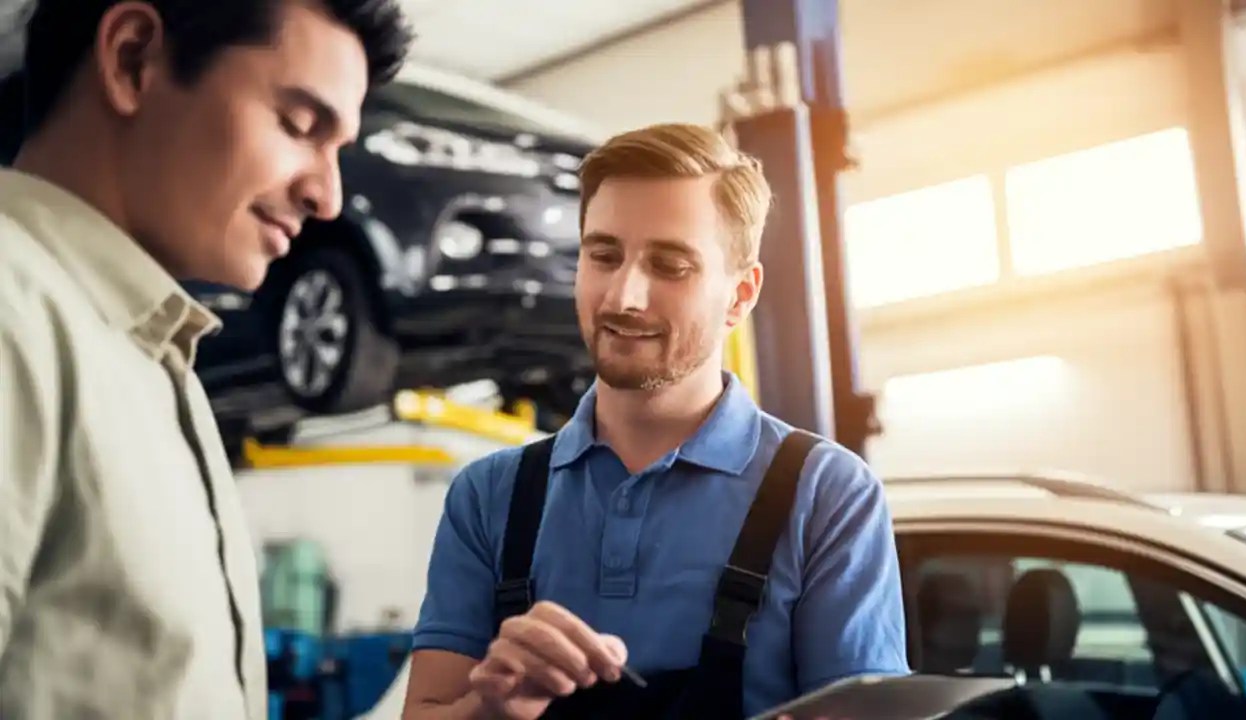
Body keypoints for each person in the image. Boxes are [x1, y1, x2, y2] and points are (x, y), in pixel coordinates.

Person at [401, 123, 908, 720]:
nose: (623, 296)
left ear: (740, 295)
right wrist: (489, 708)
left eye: (670, 265)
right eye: (604, 255)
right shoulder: (489, 498)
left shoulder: (827, 495)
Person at [0, 1, 411, 718]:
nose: (327, 195)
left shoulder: (161, 368)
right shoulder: (15, 308)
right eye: (299, 126)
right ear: (132, 60)